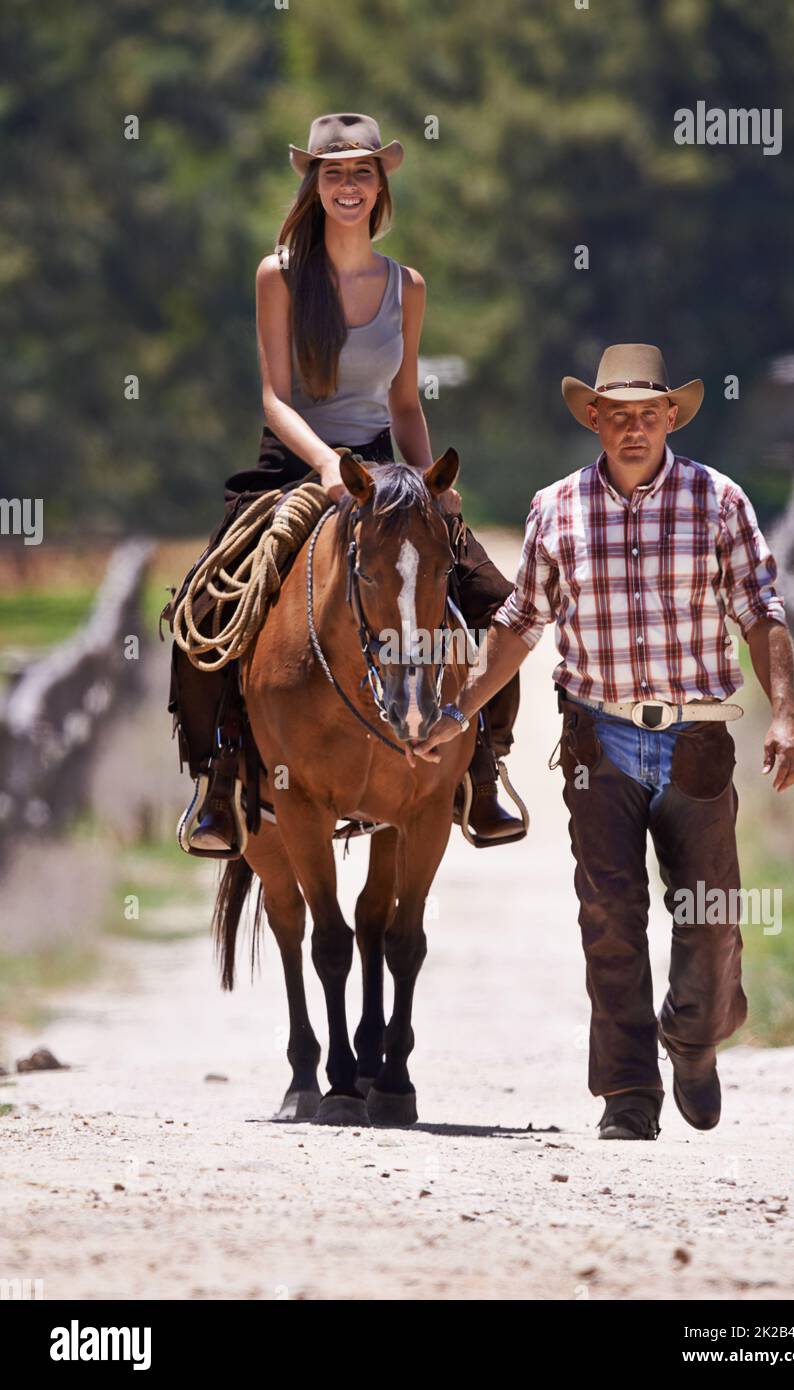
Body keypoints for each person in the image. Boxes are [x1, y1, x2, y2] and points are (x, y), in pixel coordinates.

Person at [407, 343, 794, 1140]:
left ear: (669, 418)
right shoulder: (554, 507)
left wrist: (786, 716)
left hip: (695, 739)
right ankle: (627, 1094)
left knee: (709, 914)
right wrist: (455, 713)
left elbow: (760, 613)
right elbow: (520, 624)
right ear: (593, 418)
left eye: (647, 416)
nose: (632, 430)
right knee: (609, 917)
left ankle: (692, 1042)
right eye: (616, 416)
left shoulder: (716, 499)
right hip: (597, 743)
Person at [168, 113, 524, 857]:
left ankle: (483, 767)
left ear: (380, 184)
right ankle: (220, 776)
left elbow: (402, 405)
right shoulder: (280, 275)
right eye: (334, 173)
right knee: (203, 604)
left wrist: (431, 487)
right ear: (315, 184)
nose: (349, 186)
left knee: (495, 602)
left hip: (385, 477)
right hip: (291, 466)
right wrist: (327, 467)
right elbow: (274, 396)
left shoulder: (407, 285)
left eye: (362, 172)